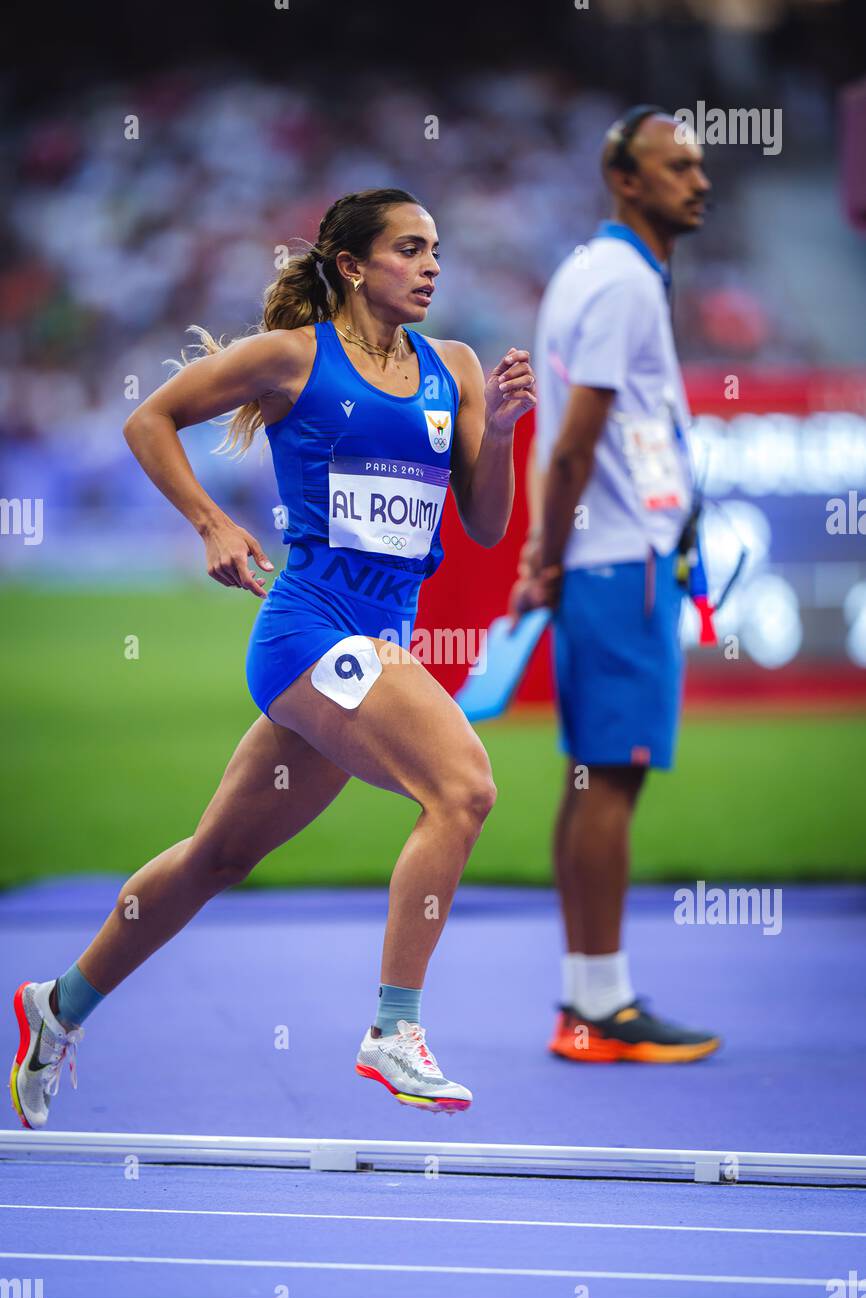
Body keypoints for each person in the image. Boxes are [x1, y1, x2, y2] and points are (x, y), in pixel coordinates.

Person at [11, 187, 535, 1127]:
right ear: (350, 265)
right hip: (308, 631)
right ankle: (394, 1029)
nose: (431, 266)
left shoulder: (451, 368)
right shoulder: (296, 358)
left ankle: (58, 1007)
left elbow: (488, 525)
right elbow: (148, 421)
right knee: (463, 791)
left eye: (436, 250)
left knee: (217, 857)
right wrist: (211, 520)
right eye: (409, 249)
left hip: (383, 644)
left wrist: (494, 428)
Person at [510, 108, 722, 1063]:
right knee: (613, 778)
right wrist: (546, 558)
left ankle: (585, 997)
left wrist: (544, 556)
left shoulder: (587, 274)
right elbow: (573, 440)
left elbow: (561, 438)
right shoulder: (627, 283)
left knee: (592, 773)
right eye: (676, 166)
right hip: (622, 562)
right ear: (625, 181)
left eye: (701, 164)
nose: (700, 179)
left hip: (607, 558)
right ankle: (601, 1007)